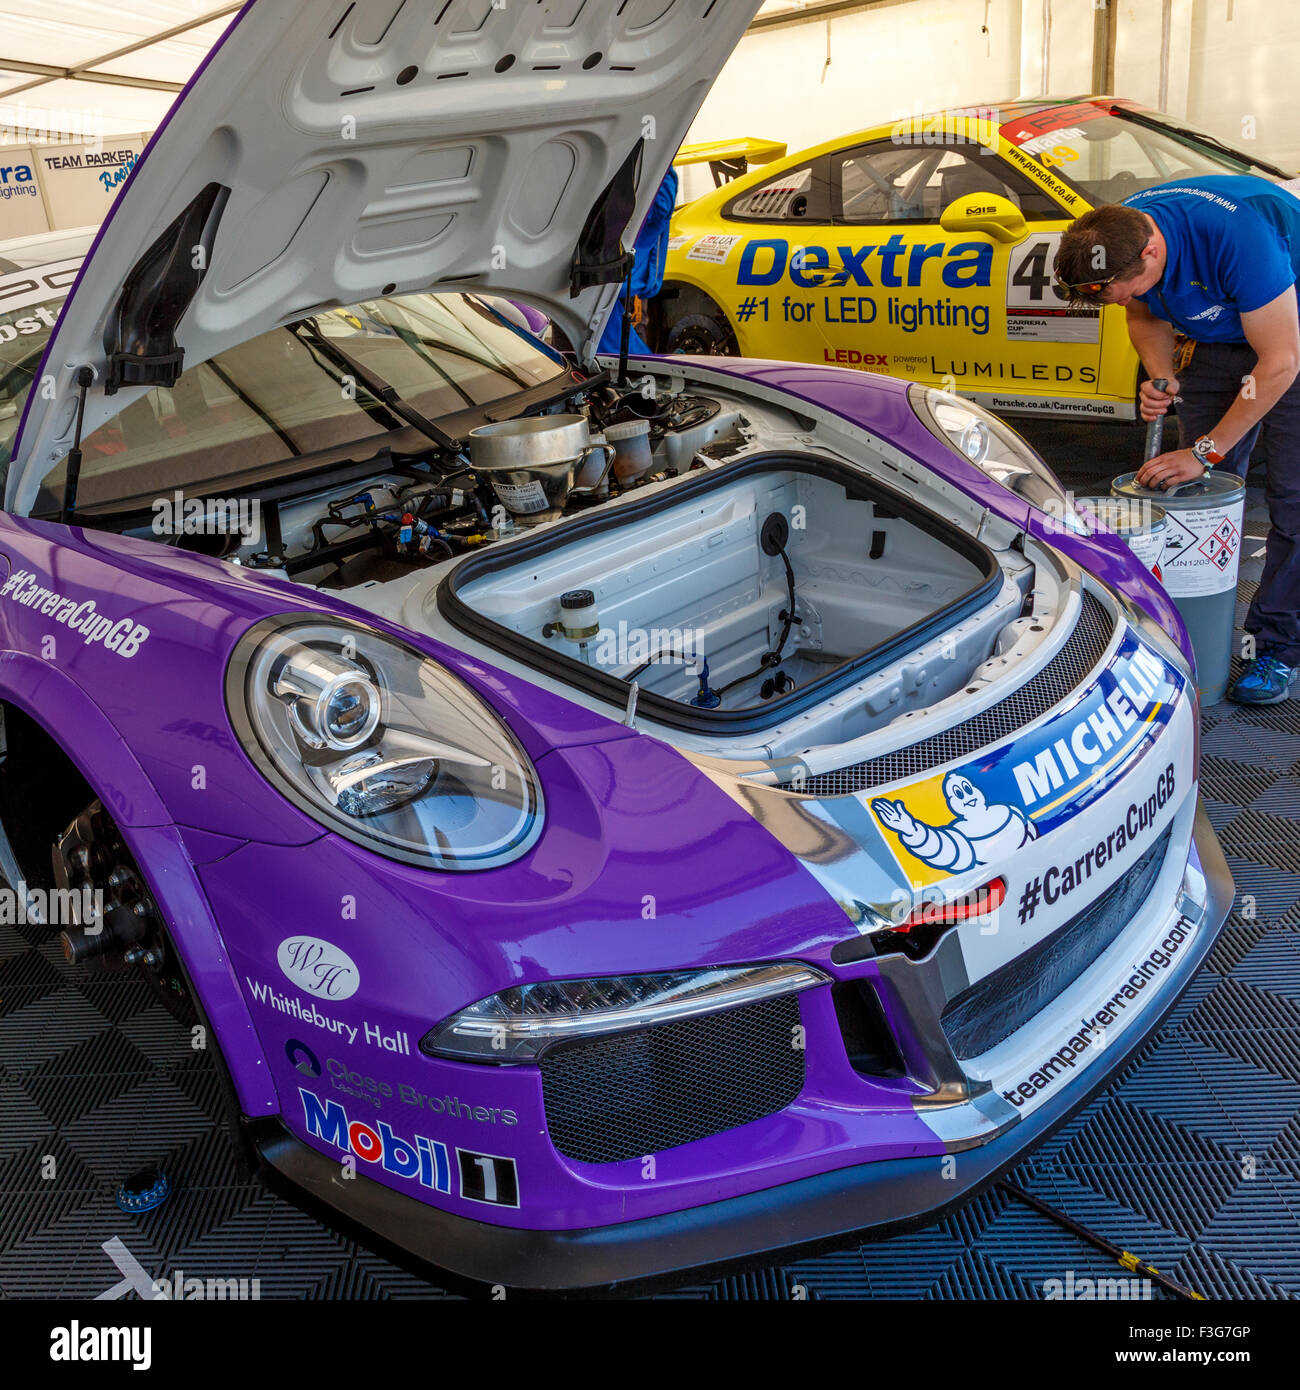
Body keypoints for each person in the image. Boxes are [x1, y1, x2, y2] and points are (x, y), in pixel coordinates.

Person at [1053, 174, 1300, 704]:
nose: (1125, 300)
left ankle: (1276, 648)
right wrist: (1161, 378)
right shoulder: (1116, 235)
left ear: (1152, 251)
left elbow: (1280, 362)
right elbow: (1141, 316)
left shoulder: (1237, 236)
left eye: (1129, 288)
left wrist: (1205, 450)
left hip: (1288, 333)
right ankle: (1187, 629)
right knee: (1191, 494)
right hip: (1225, 333)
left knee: (1293, 500)